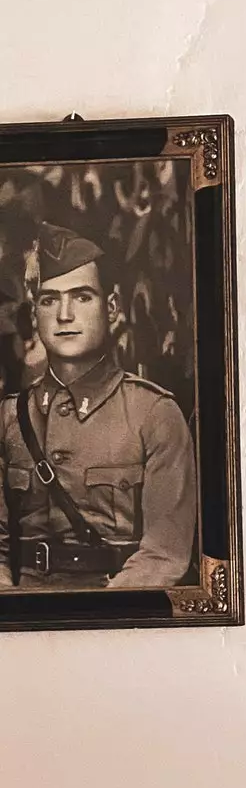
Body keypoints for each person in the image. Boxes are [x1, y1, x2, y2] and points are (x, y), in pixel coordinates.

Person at [1, 222, 196, 589]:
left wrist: (97, 615)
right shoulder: (10, 417)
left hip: (117, 616)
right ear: (33, 316)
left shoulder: (153, 415)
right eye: (48, 300)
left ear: (112, 309)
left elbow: (164, 556)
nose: (64, 315)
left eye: (82, 297)